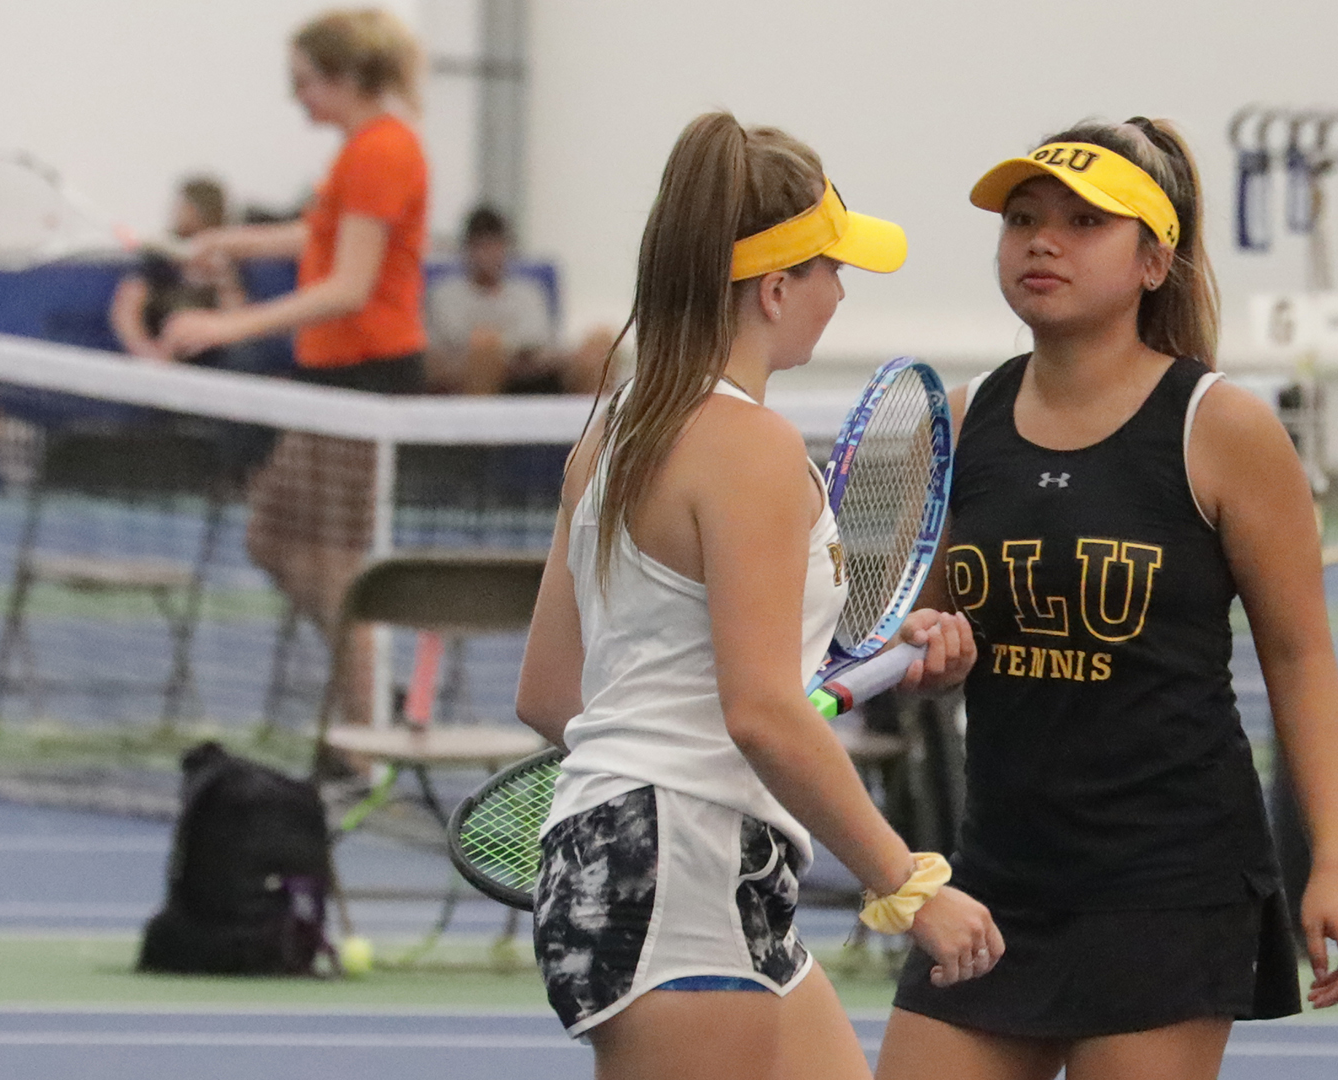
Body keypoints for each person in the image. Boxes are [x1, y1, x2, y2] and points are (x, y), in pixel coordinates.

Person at [512, 111, 1003, 1080]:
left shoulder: (614, 430)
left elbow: (551, 693)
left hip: (678, 859)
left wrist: (850, 669)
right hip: (680, 870)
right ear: (776, 289)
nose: (841, 292)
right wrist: (909, 885)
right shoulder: (750, 448)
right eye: (832, 270)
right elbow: (762, 714)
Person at [875, 119, 1338, 1080]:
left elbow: (1302, 661)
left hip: (1169, 889)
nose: (1042, 243)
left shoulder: (1221, 427)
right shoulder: (965, 422)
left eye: (1083, 222)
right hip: (999, 879)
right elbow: (918, 637)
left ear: (1153, 262)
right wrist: (926, 653)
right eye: (1022, 219)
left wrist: (1333, 869)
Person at [158, 8, 428, 727]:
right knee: (274, 539)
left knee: (332, 561)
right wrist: (229, 241)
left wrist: (226, 324)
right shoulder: (359, 151)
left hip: (366, 379)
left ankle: (364, 733)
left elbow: (348, 286)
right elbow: (322, 234)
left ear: (344, 77)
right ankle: (368, 690)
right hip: (328, 375)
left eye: (304, 81)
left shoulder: (383, 150)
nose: (296, 96)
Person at [425, 206, 617, 395]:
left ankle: (596, 413)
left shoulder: (528, 293)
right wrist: (494, 349)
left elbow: (538, 343)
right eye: (482, 247)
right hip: (467, 381)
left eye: (496, 246)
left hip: (532, 374)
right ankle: (479, 413)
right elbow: (451, 346)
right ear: (467, 250)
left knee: (601, 341)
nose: (489, 255)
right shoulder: (445, 295)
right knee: (485, 346)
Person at [109, 177, 248, 364]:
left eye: (185, 206)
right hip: (158, 346)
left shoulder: (232, 256)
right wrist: (150, 355)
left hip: (213, 351)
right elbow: (127, 309)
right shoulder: (159, 253)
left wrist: (223, 278)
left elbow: (237, 319)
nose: (177, 212)